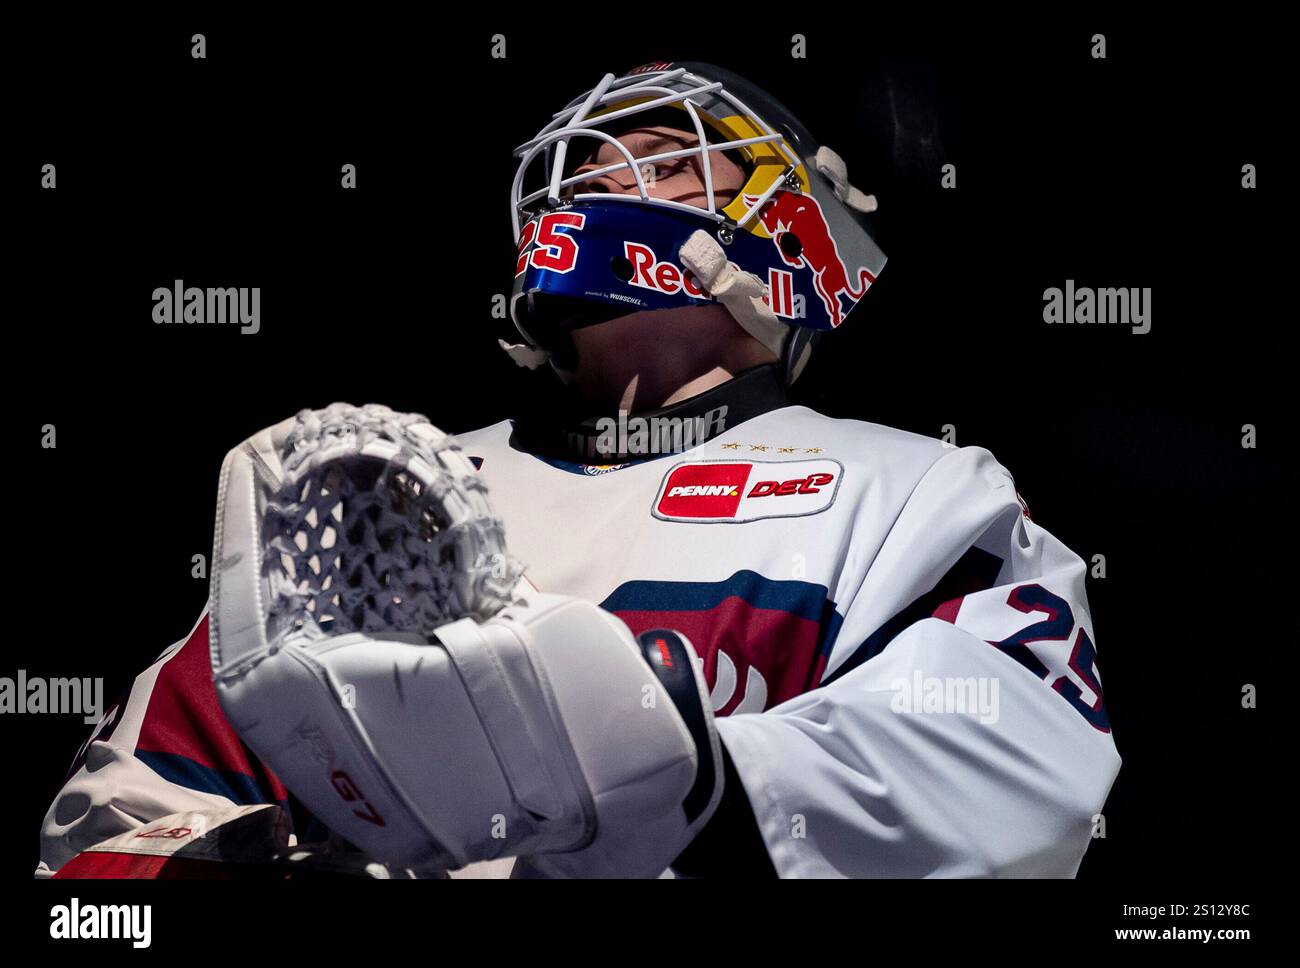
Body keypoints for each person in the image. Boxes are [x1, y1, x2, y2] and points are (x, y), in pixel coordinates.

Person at [37, 62, 1119, 879]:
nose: (601, 174)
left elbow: (1023, 772)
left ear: (795, 235)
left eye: (663, 150)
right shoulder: (380, 490)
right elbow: (89, 860)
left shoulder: (915, 488)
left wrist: (692, 774)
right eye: (595, 158)